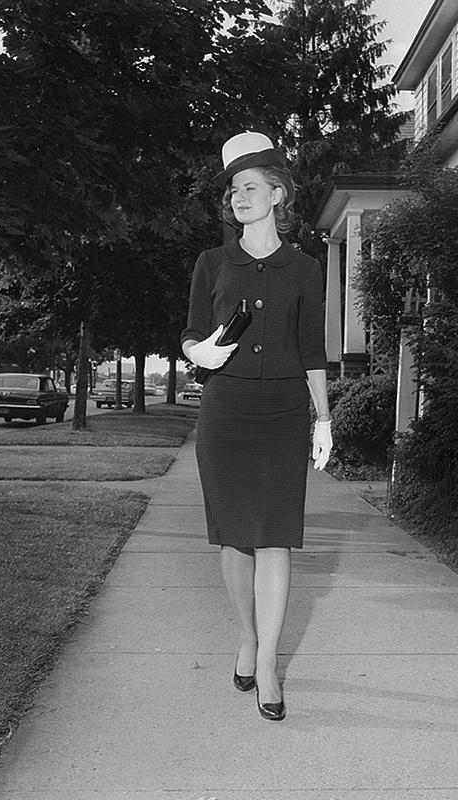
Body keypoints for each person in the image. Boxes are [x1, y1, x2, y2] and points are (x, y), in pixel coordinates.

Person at [181, 131, 332, 721]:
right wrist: (198, 352)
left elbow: (313, 349)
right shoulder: (212, 263)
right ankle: (247, 637)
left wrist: (324, 418)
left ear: (277, 194)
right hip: (225, 412)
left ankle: (267, 661)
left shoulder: (306, 268)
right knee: (234, 536)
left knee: (275, 536)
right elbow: (192, 332)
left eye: (250, 187)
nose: (239, 197)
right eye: (233, 190)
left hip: (283, 414)